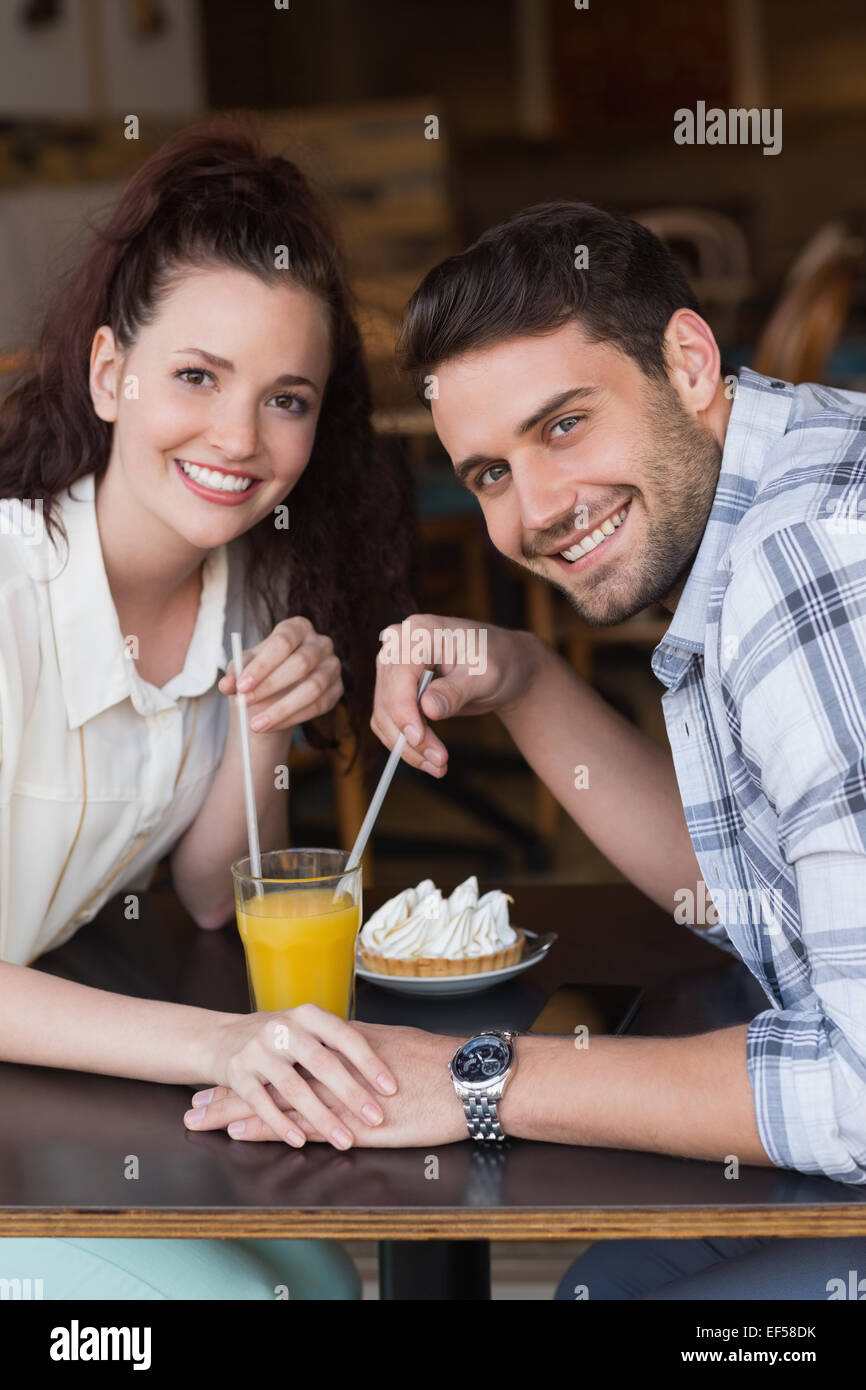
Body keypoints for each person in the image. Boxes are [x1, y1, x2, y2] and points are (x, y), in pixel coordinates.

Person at [192, 202, 866, 1299]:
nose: (536, 511)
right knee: (593, 1289)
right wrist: (522, 676)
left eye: (562, 424)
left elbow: (856, 1087)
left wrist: (474, 1078)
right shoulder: (779, 476)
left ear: (686, 360)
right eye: (488, 473)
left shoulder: (802, 569)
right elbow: (751, 891)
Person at [0, 122, 416, 1299]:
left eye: (285, 398)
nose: (238, 440)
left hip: (38, 1071)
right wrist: (225, 1041)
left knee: (326, 1280)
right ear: (106, 375)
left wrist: (264, 728)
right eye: (197, 376)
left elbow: (200, 890)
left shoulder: (250, 585)